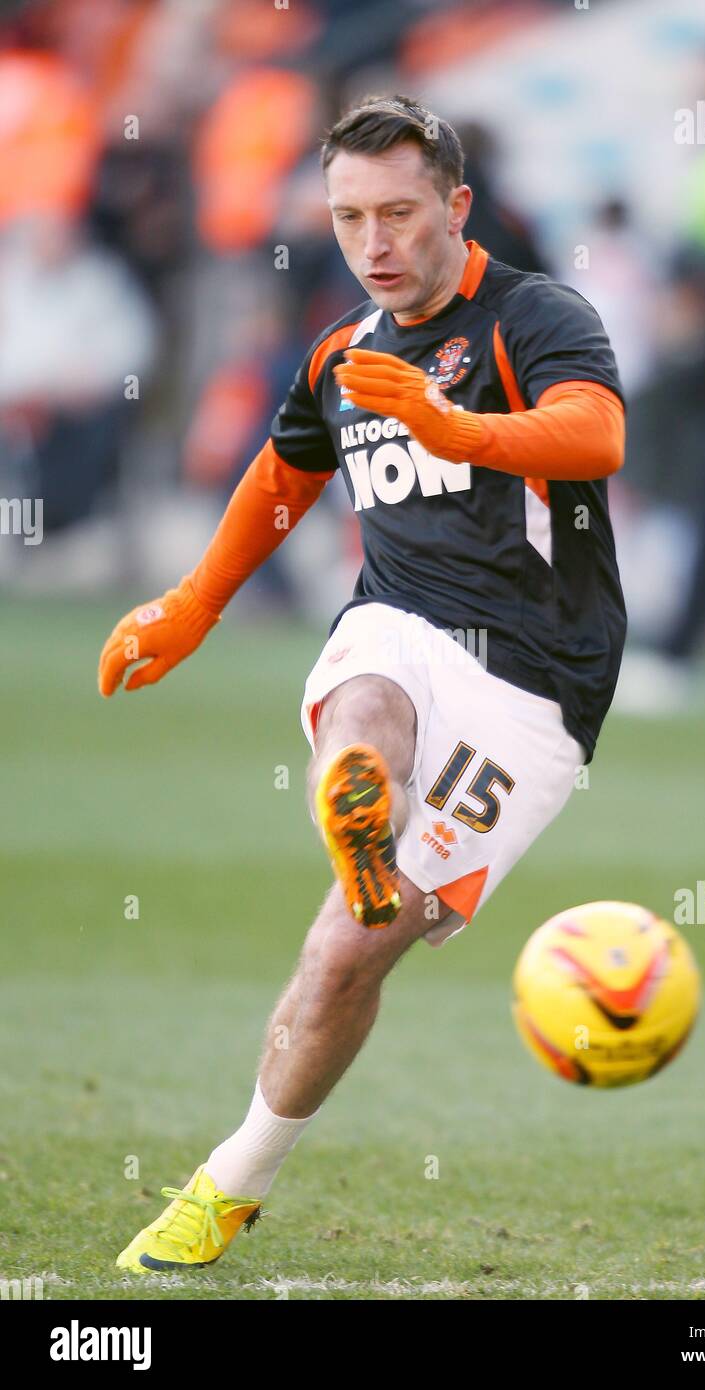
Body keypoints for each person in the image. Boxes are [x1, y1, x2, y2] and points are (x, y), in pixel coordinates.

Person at [98, 94, 626, 1273]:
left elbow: (593, 439)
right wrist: (193, 603)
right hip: (396, 621)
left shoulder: (533, 315)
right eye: (347, 219)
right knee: (367, 702)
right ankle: (362, 798)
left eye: (398, 213)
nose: (375, 243)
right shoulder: (343, 352)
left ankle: (237, 1176)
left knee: (345, 953)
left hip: (535, 681)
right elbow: (285, 473)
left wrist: (454, 426)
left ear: (456, 205)